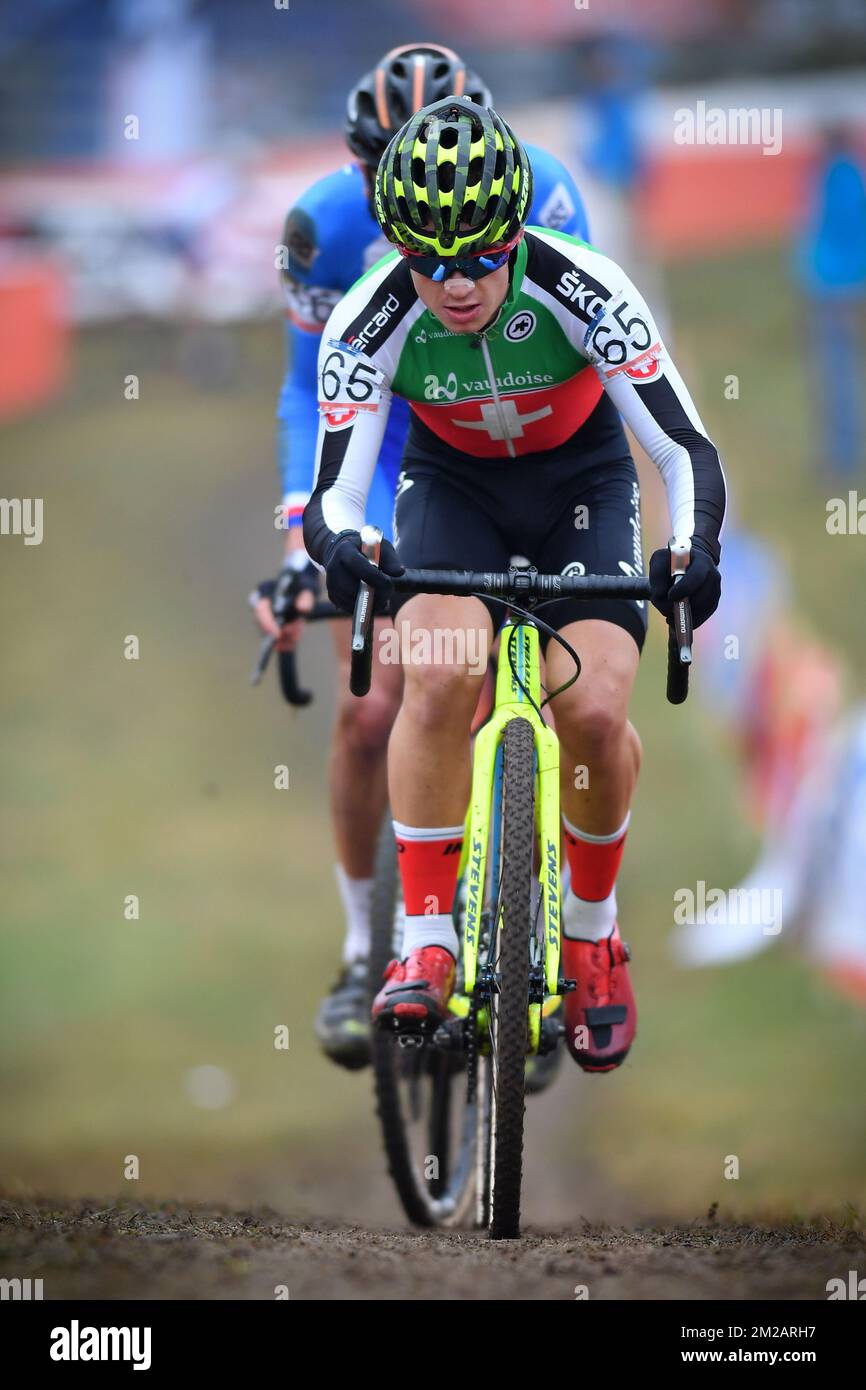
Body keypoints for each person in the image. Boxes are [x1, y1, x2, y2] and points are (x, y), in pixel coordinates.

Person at [303, 97, 726, 1073]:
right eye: (428, 260)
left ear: (514, 235)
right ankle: (423, 939)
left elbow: (682, 449)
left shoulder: (586, 285)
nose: (453, 284)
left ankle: (589, 933)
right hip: (453, 487)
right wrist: (347, 545)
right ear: (396, 245)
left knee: (591, 706)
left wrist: (691, 550)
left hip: (581, 482)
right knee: (440, 673)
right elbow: (334, 490)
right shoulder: (371, 317)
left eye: (479, 257)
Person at [252, 44, 592, 1070]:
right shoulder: (321, 226)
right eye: (374, 168)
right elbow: (308, 389)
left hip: (495, 435)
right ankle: (367, 954)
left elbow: (580, 341)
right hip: (388, 452)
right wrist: (303, 538)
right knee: (371, 710)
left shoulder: (549, 194)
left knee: (507, 677)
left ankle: (523, 941)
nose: (397, 192)